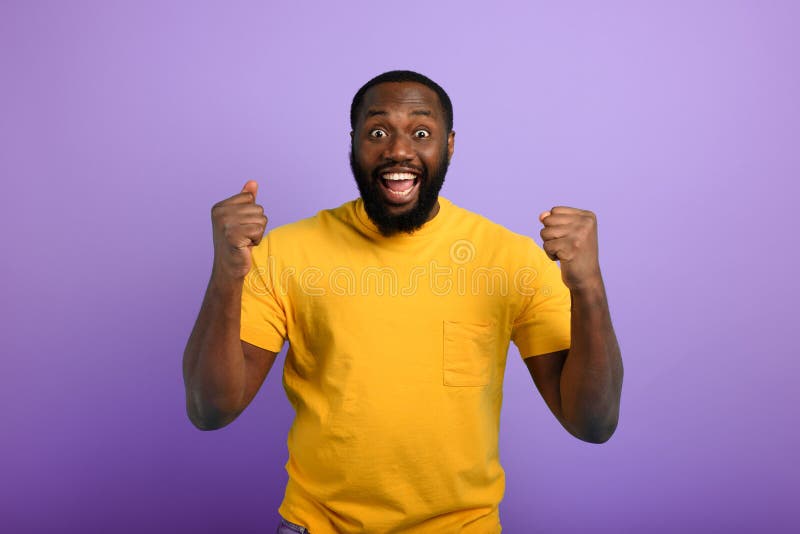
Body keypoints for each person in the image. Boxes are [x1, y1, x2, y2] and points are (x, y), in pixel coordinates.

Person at [182, 70, 623, 533]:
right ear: (353, 144)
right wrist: (227, 274)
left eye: (421, 133)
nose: (398, 150)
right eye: (377, 132)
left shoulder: (510, 259)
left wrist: (589, 286)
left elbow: (593, 423)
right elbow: (210, 410)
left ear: (449, 146)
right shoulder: (285, 254)